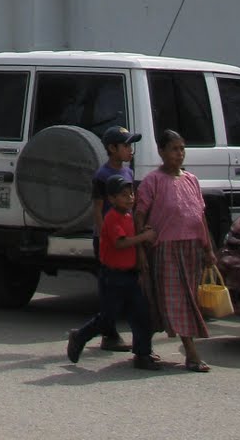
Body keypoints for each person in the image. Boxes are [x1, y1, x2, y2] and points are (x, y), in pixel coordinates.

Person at [135, 128, 216, 371]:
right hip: (165, 250)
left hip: (191, 249)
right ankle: (190, 354)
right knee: (171, 300)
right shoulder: (153, 181)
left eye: (182, 149)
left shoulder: (191, 179)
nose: (179, 154)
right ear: (161, 152)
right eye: (174, 149)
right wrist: (140, 250)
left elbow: (200, 217)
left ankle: (143, 351)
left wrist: (208, 248)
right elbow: (139, 216)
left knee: (185, 300)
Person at [66, 176, 161, 369]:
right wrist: (143, 236)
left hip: (131, 275)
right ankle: (80, 336)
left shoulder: (129, 216)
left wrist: (144, 233)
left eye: (131, 194)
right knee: (108, 317)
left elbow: (134, 238)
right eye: (123, 195)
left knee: (141, 314)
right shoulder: (112, 218)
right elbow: (120, 243)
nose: (129, 198)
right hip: (113, 277)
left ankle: (143, 354)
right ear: (111, 199)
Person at [90, 126, 142, 350]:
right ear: (112, 148)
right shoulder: (102, 176)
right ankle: (108, 333)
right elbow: (97, 209)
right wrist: (104, 238)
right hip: (108, 240)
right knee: (108, 288)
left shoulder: (128, 173)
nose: (130, 150)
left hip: (125, 237)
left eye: (131, 145)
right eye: (126, 146)